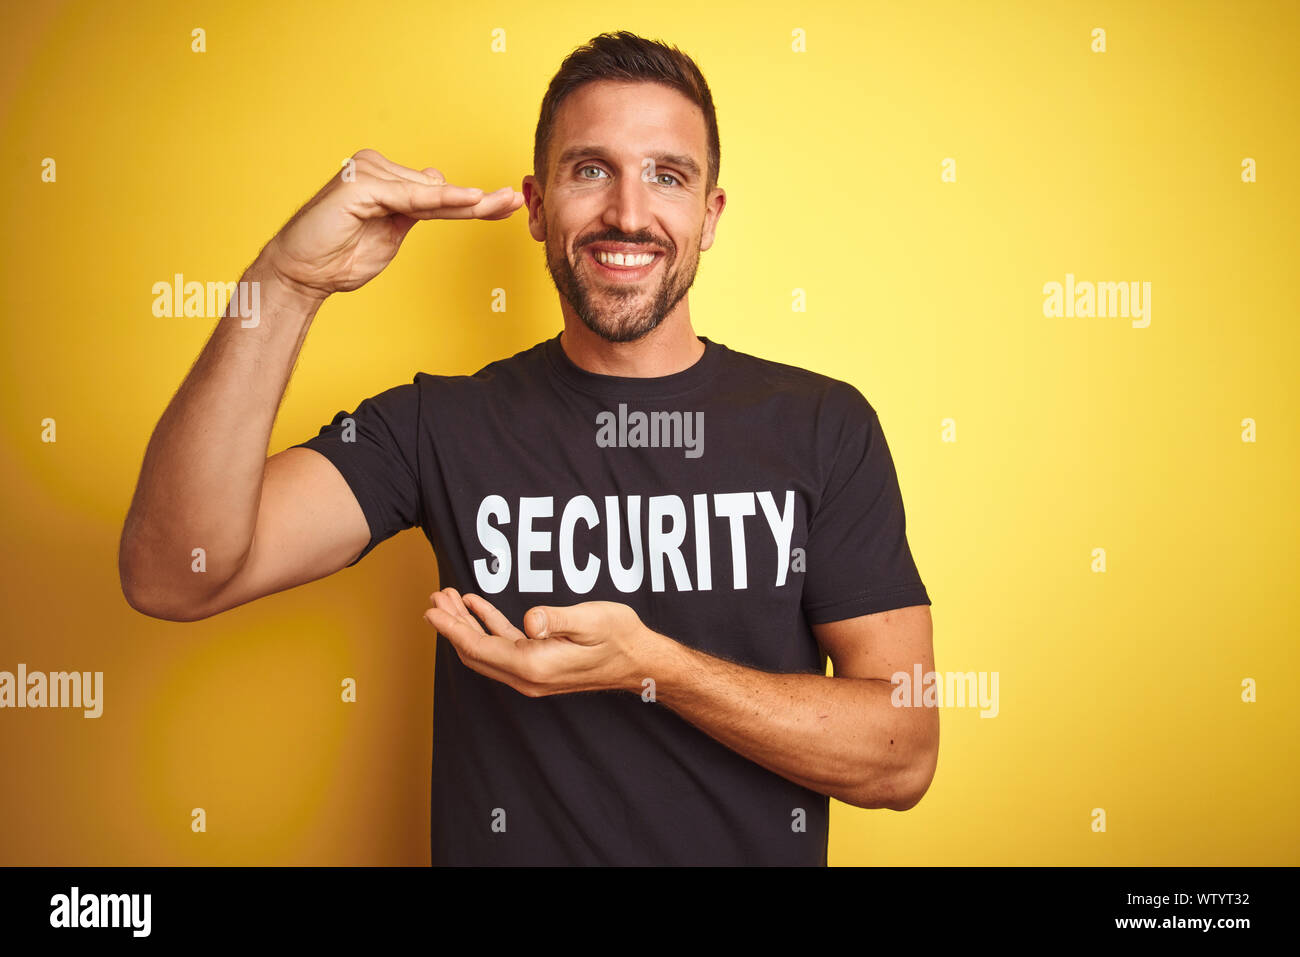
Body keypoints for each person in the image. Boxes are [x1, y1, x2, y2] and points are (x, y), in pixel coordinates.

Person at [119, 30, 938, 866]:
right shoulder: (436, 424)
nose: (627, 212)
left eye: (667, 175)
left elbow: (904, 753)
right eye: (591, 170)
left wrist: (654, 666)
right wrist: (285, 284)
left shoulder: (821, 424)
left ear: (710, 213)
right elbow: (173, 573)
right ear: (538, 205)